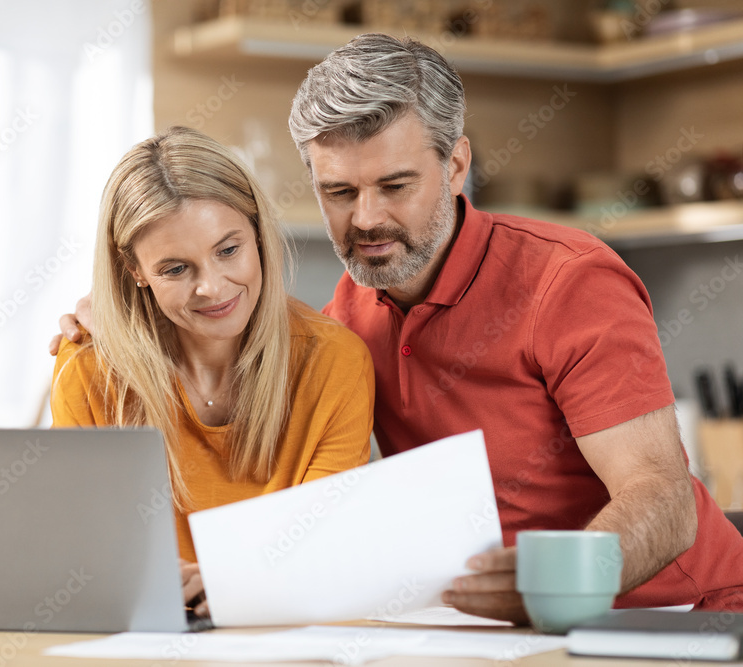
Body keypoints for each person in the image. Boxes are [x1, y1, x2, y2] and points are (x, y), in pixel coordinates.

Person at [53, 34, 743, 622]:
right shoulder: (348, 318)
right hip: (501, 625)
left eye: (395, 185)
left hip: (676, 615)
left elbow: (664, 500)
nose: (366, 220)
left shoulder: (568, 283)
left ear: (457, 166)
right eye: (340, 192)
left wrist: (556, 585)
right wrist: (117, 309)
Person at [49, 126, 374, 616]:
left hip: (284, 636)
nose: (213, 288)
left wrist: (231, 584)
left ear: (257, 232)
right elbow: (79, 558)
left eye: (228, 250)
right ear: (135, 270)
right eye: (175, 269)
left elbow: (323, 554)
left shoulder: (334, 363)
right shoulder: (89, 371)